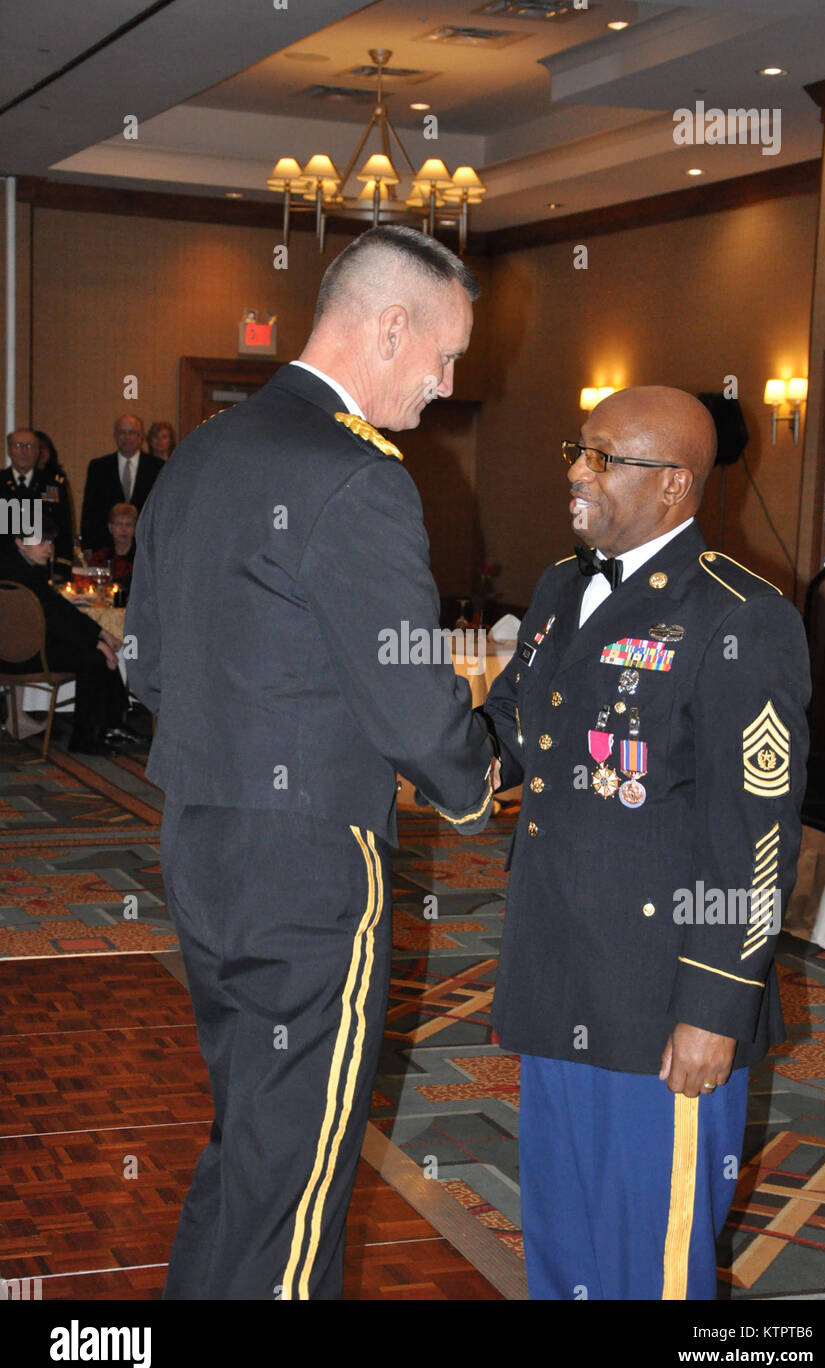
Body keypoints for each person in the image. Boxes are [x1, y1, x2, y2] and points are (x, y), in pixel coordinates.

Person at [125, 225, 495, 1301]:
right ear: (388, 327)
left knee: (254, 1137)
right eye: (442, 357)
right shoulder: (355, 473)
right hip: (305, 866)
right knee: (295, 1171)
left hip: (200, 835)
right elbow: (413, 708)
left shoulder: (206, 448)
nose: (444, 385)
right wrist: (482, 781)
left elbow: (144, 658)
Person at [480, 386, 810, 1300]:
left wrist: (715, 1007)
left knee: (649, 1264)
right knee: (558, 1236)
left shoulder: (738, 616)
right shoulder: (559, 583)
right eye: (576, 450)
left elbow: (752, 836)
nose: (576, 474)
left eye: (601, 457)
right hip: (553, 973)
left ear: (673, 485)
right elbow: (515, 725)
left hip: (657, 1002)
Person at [0, 523, 126, 753]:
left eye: (50, 542)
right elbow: (53, 621)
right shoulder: (18, 575)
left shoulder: (25, 568)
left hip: (21, 651)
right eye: (41, 542)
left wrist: (101, 633)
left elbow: (61, 611)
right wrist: (97, 642)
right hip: (19, 656)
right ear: (19, 542)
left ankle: (110, 724)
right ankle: (87, 737)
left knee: (96, 652)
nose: (48, 548)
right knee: (94, 658)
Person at [80, 415, 161, 554]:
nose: (127, 437)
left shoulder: (157, 467)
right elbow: (89, 512)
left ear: (141, 437)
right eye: (122, 432)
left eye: (132, 433)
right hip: (105, 550)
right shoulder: (98, 467)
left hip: (146, 549)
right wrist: (88, 549)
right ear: (115, 436)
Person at [4, 428, 75, 575]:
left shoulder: (53, 484)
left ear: (38, 452)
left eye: (29, 446)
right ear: (9, 451)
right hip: (3, 566)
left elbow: (64, 529)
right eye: (18, 446)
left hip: (41, 569)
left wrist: (62, 568)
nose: (24, 451)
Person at [90, 501, 137, 593]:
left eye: (128, 525)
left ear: (135, 529)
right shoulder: (99, 558)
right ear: (110, 527)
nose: (123, 529)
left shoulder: (142, 558)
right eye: (119, 524)